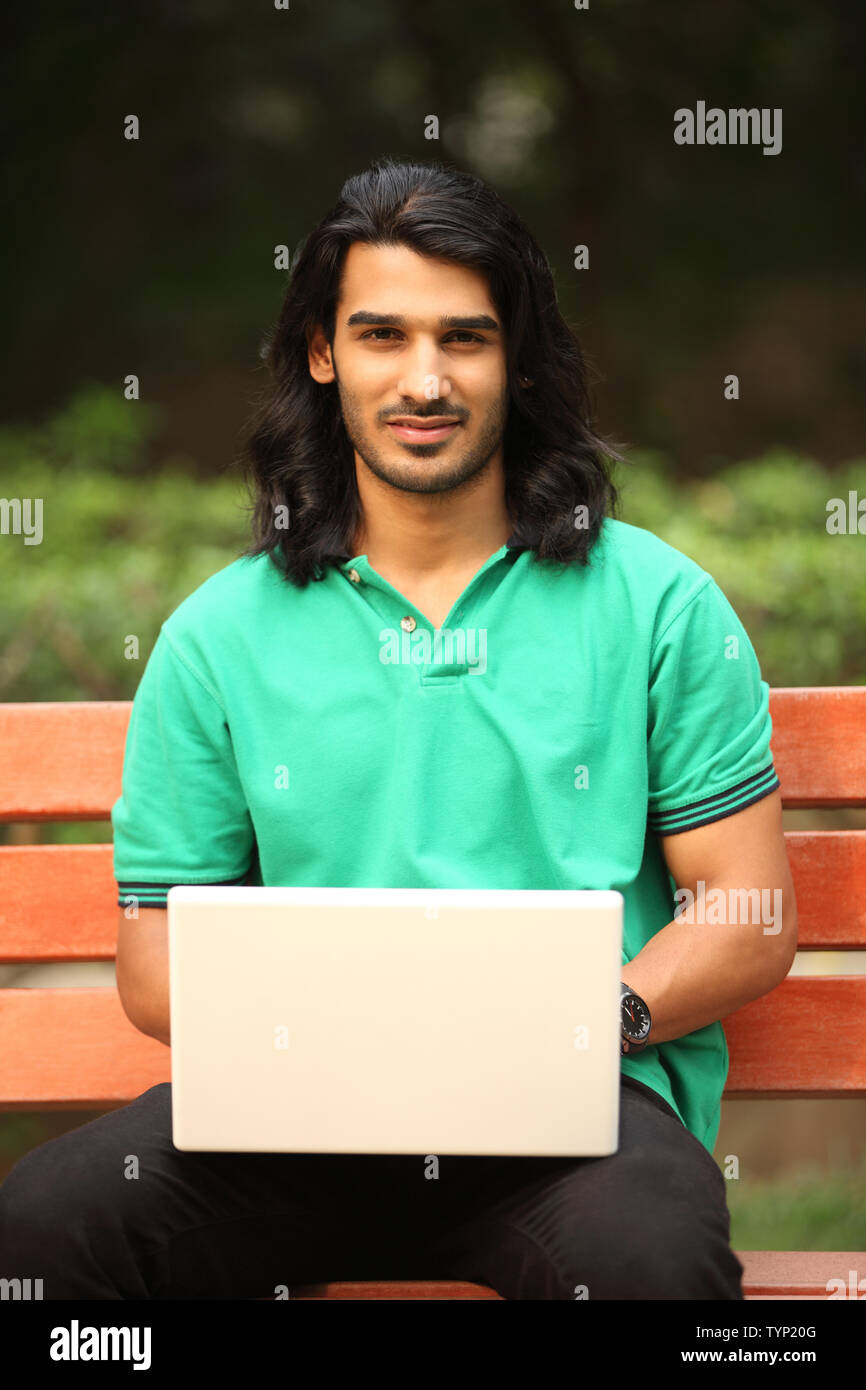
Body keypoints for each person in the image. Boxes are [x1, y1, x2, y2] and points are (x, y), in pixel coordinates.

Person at [0, 156, 796, 1300]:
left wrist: (586, 1019)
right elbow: (154, 965)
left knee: (651, 1266)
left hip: (567, 1121)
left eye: (463, 338)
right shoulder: (219, 634)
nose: (423, 379)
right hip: (291, 1119)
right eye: (381, 336)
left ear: (514, 358)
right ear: (324, 355)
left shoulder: (657, 605)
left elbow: (746, 914)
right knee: (45, 1224)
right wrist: (356, 1035)